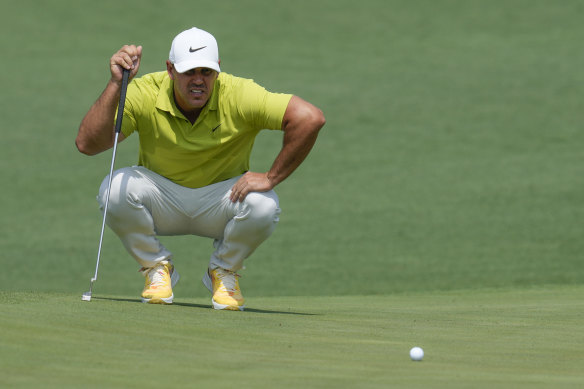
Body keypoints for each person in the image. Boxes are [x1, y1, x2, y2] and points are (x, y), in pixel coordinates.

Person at [76, 27, 325, 311]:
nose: (198, 81)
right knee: (114, 189)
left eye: (206, 72)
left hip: (221, 200)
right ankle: (156, 268)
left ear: (218, 70)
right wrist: (114, 85)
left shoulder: (239, 94)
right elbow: (88, 143)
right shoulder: (145, 92)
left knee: (264, 203)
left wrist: (271, 177)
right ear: (170, 70)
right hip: (161, 198)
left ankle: (224, 271)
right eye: (188, 72)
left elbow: (310, 118)